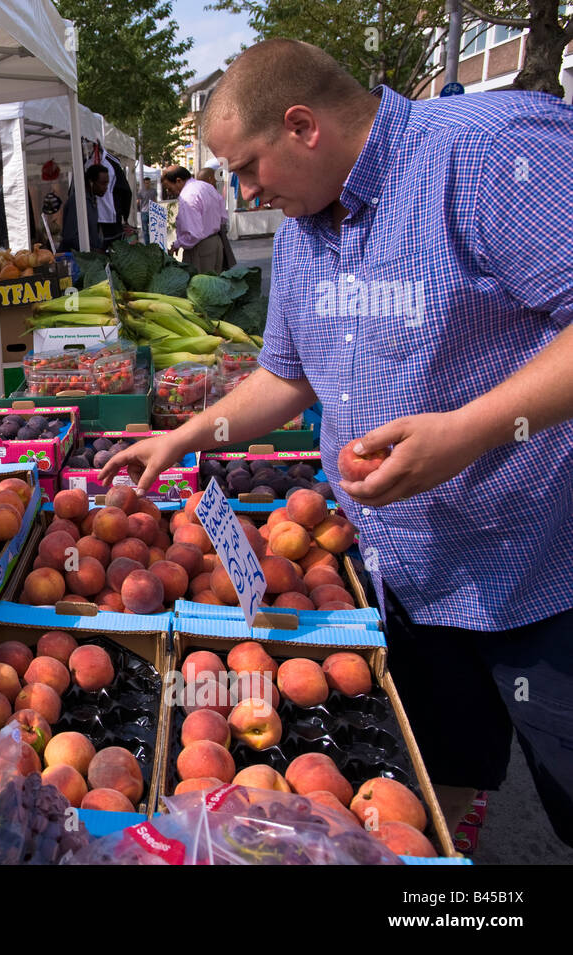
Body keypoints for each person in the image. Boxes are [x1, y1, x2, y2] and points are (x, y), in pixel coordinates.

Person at [100, 38, 573, 847]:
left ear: (302, 126)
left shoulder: (489, 153)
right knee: (434, 780)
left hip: (541, 571)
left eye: (247, 167)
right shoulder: (302, 235)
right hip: (407, 581)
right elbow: (286, 378)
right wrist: (181, 437)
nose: (241, 191)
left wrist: (467, 433)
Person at [161, 166, 226, 273]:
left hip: (200, 249)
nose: (169, 192)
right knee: (214, 284)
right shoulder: (208, 187)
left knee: (201, 286)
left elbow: (194, 234)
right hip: (216, 243)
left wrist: (177, 244)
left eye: (169, 188)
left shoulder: (187, 196)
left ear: (178, 181)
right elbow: (223, 218)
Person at [60, 163, 110, 252]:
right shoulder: (78, 202)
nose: (106, 188)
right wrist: (91, 250)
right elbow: (69, 237)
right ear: (91, 182)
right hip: (76, 259)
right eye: (102, 183)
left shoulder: (92, 200)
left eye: (107, 184)